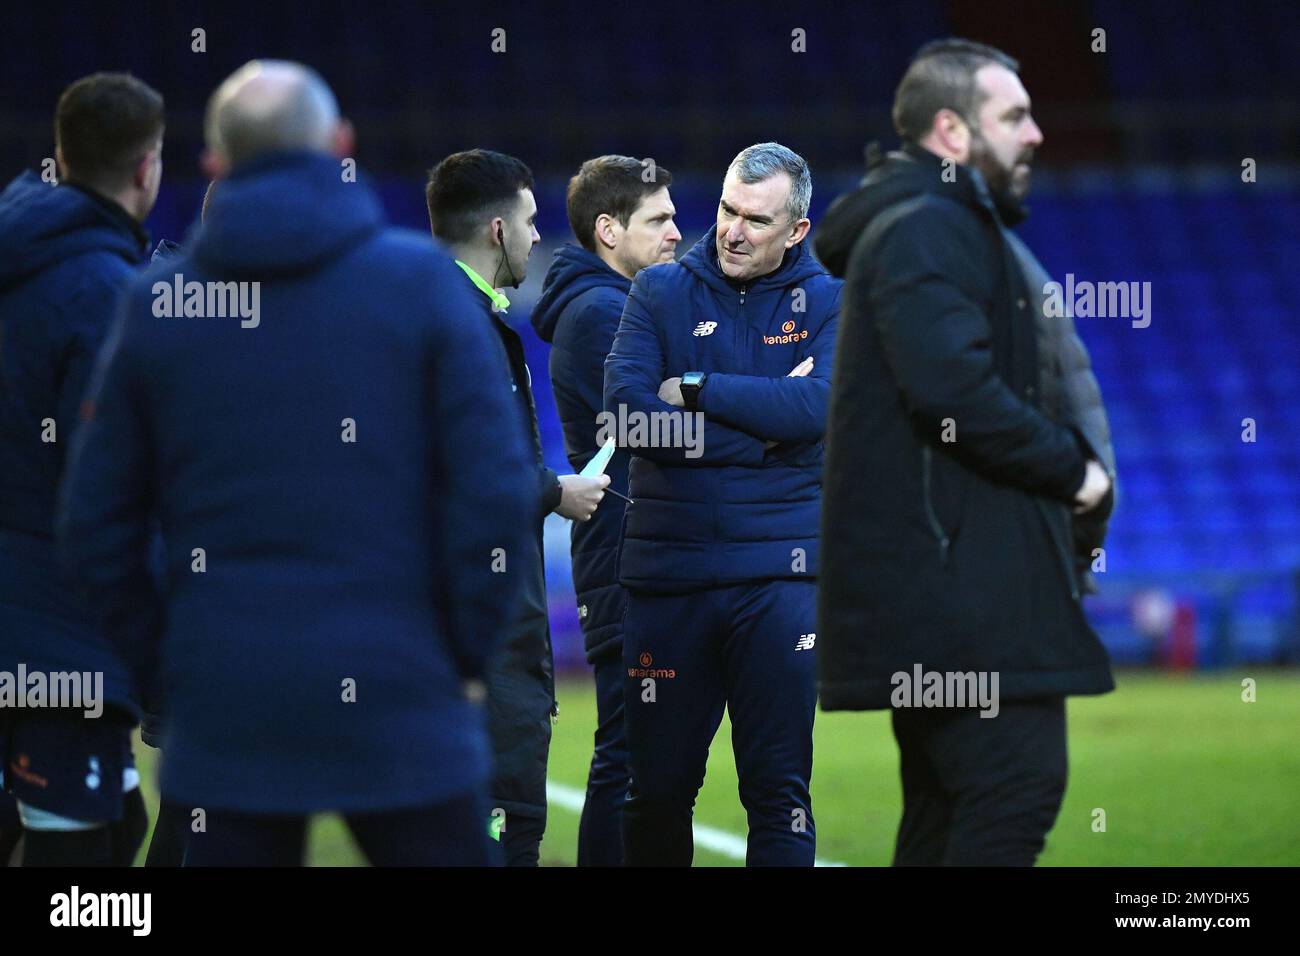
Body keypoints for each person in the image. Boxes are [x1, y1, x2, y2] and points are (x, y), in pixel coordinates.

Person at [58, 60, 534, 866]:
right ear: (341, 145)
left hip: (229, 703)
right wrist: (460, 654)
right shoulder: (419, 285)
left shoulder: (158, 307)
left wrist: (169, 670)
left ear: (213, 164)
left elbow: (95, 527)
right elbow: (493, 494)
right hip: (403, 689)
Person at [813, 38, 1117, 866]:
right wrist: (1078, 473)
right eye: (1014, 116)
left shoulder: (933, 223)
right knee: (1012, 791)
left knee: (946, 812)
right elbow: (954, 395)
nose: (1037, 134)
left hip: (950, 590)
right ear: (951, 131)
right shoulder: (928, 228)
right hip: (962, 597)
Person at [605, 142, 840, 866]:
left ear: (796, 231)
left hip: (780, 578)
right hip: (669, 580)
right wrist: (771, 436)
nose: (733, 231)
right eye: (727, 210)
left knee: (779, 793)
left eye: (757, 221)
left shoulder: (831, 301)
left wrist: (701, 388)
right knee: (657, 791)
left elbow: (823, 408)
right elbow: (627, 419)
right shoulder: (660, 291)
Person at [426, 148, 609, 866]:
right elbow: (459, 471)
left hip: (470, 629)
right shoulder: (460, 324)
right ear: (498, 230)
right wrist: (555, 491)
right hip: (484, 629)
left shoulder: (447, 314)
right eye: (531, 222)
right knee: (504, 832)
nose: (539, 237)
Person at [0, 71, 163, 866]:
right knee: (83, 854)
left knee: (115, 825)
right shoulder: (104, 294)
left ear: (59, 157)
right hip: (54, 626)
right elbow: (112, 487)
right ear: (145, 168)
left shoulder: (18, 252)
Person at [531, 155, 681, 866]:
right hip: (626, 555)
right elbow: (664, 418)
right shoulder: (601, 312)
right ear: (608, 231)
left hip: (634, 549)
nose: (678, 232)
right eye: (659, 220)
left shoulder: (613, 305)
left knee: (647, 757)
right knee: (629, 753)